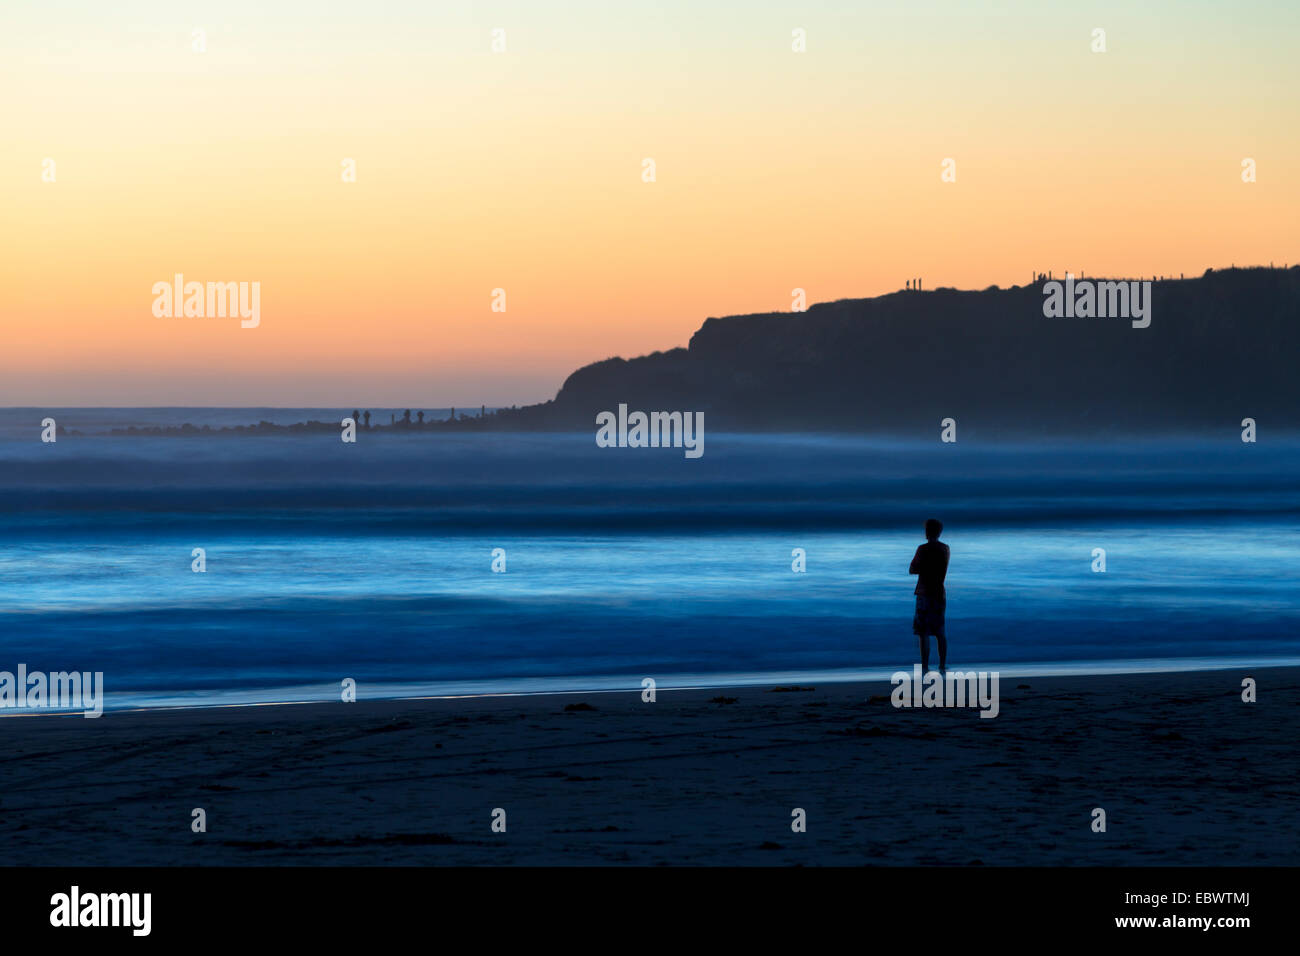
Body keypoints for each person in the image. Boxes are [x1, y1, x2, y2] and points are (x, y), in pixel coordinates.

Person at [909, 518, 950, 673]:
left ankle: (925, 666)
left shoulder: (922, 549)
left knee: (923, 632)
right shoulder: (945, 549)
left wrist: (923, 567)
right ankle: (942, 665)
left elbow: (912, 569)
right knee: (940, 631)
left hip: (924, 592)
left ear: (927, 531)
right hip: (939, 592)